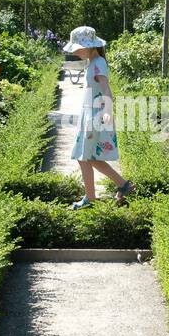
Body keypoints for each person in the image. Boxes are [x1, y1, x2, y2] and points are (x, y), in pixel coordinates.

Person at [62, 26, 135, 209]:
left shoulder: (98, 63)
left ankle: (94, 197)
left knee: (85, 156)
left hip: (96, 115)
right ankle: (120, 186)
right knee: (86, 155)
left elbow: (105, 88)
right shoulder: (94, 62)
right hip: (90, 113)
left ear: (89, 46)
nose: (76, 52)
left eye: (78, 48)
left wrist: (108, 109)